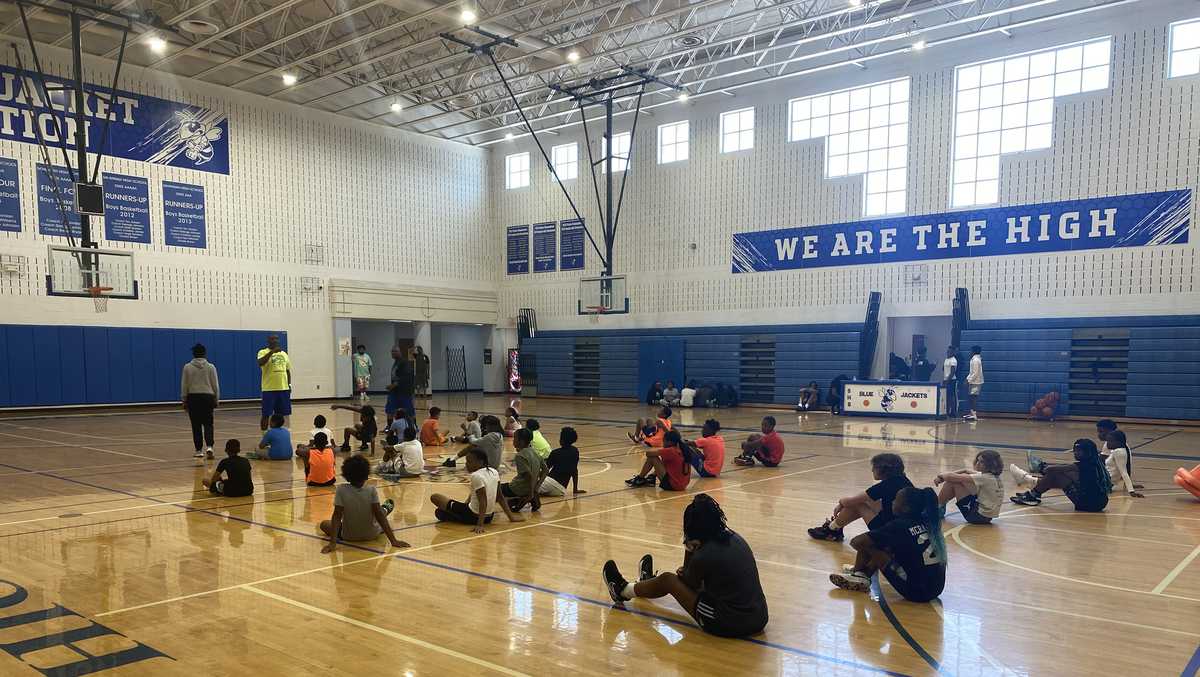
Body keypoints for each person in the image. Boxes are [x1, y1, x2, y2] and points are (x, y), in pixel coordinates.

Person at [602, 494, 768, 638]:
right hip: (759, 617)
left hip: (727, 623)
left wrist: (687, 546)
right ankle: (647, 583)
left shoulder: (704, 554)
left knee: (668, 580)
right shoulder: (735, 537)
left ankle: (622, 591)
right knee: (700, 583)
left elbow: (689, 583)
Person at [829, 487, 947, 602]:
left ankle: (859, 575)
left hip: (916, 592)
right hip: (937, 588)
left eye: (896, 500)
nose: (892, 502)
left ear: (905, 508)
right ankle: (860, 574)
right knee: (885, 542)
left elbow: (857, 542)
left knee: (871, 543)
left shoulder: (899, 525)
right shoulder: (928, 522)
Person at [808, 453, 912, 542]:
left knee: (858, 504)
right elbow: (867, 498)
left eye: (874, 467)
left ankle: (831, 530)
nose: (872, 470)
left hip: (888, 530)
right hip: (905, 528)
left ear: (883, 470)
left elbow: (850, 502)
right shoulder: (903, 480)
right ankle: (835, 528)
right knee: (868, 501)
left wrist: (840, 503)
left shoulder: (885, 485)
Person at [319, 454, 409, 552]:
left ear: (346, 476)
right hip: (372, 534)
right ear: (366, 476)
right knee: (380, 514)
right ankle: (385, 509)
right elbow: (379, 516)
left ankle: (384, 510)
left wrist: (332, 544)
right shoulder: (371, 490)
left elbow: (337, 516)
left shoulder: (341, 490)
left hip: (348, 536)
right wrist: (393, 541)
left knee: (324, 524)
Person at [431, 447, 523, 532]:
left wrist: (480, 525)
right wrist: (511, 517)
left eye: (470, 462)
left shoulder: (476, 476)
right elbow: (500, 497)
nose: (467, 464)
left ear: (481, 462)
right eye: (466, 461)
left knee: (435, 497)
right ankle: (454, 514)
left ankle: (454, 515)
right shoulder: (494, 471)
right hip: (489, 517)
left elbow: (483, 501)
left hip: (473, 516)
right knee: (442, 511)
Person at [1009, 438, 1112, 511]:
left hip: (1087, 505)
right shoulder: (1096, 463)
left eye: (1079, 452)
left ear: (1088, 453)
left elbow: (1052, 470)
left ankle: (1033, 494)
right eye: (1075, 451)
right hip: (1100, 503)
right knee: (1060, 475)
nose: (1075, 454)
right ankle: (1033, 493)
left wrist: (1042, 467)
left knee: (1055, 475)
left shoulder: (1081, 466)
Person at [934, 450, 1004, 524]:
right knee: (959, 480)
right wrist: (943, 477)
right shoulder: (991, 477)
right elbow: (966, 471)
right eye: (977, 460)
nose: (977, 463)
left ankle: (937, 510)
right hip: (986, 517)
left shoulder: (985, 478)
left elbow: (950, 477)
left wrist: (941, 477)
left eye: (982, 462)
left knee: (952, 483)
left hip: (977, 516)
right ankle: (939, 507)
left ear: (990, 464)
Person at [181, 343, 220, 459]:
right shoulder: (211, 367)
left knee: (196, 425)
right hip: (208, 397)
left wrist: (184, 399)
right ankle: (209, 447)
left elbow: (184, 385)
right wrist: (216, 399)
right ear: (205, 353)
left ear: (193, 354)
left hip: (193, 398)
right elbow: (215, 385)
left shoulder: (187, 367)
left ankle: (199, 450)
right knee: (208, 423)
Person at [625, 430, 691, 491]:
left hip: (673, 486)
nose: (663, 443)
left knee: (653, 458)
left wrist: (660, 450)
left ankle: (640, 478)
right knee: (665, 461)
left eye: (664, 440)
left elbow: (648, 454)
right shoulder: (682, 450)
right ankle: (652, 477)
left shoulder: (670, 451)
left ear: (669, 442)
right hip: (683, 485)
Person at [501, 429, 547, 512]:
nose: (513, 441)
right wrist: (536, 487)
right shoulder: (535, 452)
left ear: (521, 441)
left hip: (517, 488)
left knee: (496, 489)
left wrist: (531, 493)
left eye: (515, 439)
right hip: (530, 487)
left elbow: (528, 476)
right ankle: (526, 498)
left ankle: (519, 499)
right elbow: (545, 470)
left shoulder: (520, 456)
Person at [257, 334, 291, 431]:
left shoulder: (284, 354)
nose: (275, 340)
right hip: (269, 389)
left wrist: (289, 385)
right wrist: (272, 352)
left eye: (276, 339)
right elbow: (260, 363)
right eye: (272, 339)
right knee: (266, 414)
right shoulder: (262, 352)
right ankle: (265, 437)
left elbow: (287, 370)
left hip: (283, 388)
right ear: (268, 341)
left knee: (280, 415)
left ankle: (277, 435)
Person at [540, 427, 583, 497]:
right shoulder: (575, 451)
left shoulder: (555, 453)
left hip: (551, 483)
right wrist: (575, 489)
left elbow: (545, 470)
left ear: (562, 440)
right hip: (561, 490)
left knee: (527, 486)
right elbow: (574, 471)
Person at [1100, 430, 1142, 498]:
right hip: (1104, 480)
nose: (1107, 443)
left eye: (1110, 441)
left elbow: (1123, 472)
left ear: (1118, 442)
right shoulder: (1116, 451)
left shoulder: (1119, 452)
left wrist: (1131, 491)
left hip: (1105, 483)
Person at [385, 347, 416, 426]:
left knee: (409, 410)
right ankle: (390, 426)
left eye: (395, 351)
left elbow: (406, 377)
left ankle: (413, 426)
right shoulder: (396, 362)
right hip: (394, 392)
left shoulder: (404, 362)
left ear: (400, 352)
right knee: (390, 409)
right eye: (392, 352)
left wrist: (394, 384)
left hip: (404, 391)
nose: (393, 353)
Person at [964, 345, 984, 421]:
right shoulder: (975, 359)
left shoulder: (975, 360)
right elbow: (971, 372)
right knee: (971, 397)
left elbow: (975, 373)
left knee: (973, 397)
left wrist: (968, 380)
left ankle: (974, 414)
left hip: (976, 382)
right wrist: (967, 379)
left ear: (973, 351)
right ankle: (971, 413)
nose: (970, 352)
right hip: (974, 381)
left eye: (971, 351)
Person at [942, 347, 959, 418]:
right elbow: (943, 369)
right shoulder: (946, 359)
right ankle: (947, 411)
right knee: (947, 396)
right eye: (947, 351)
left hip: (951, 380)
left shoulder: (953, 360)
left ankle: (953, 412)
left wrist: (947, 381)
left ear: (953, 352)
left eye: (949, 352)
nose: (948, 353)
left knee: (952, 396)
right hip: (946, 379)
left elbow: (952, 372)